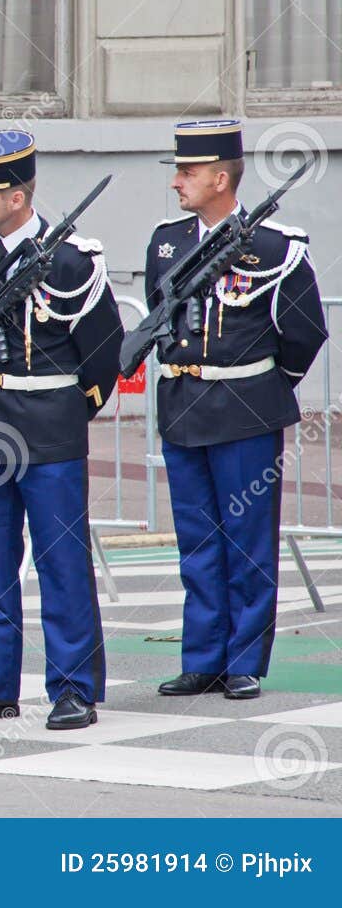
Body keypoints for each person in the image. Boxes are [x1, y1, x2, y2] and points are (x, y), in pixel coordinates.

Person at [0, 130, 122, 731]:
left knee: (60, 560)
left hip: (46, 428)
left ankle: (73, 686)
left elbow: (100, 355)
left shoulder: (71, 258)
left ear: (16, 197)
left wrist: (67, 414)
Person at [146, 120, 326, 702]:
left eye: (188, 173)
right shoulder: (167, 242)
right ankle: (202, 659)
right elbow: (162, 320)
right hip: (182, 407)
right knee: (197, 543)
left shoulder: (276, 248)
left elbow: (304, 333)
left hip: (245, 411)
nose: (177, 182)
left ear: (221, 179)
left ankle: (244, 659)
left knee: (247, 541)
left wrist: (264, 387)